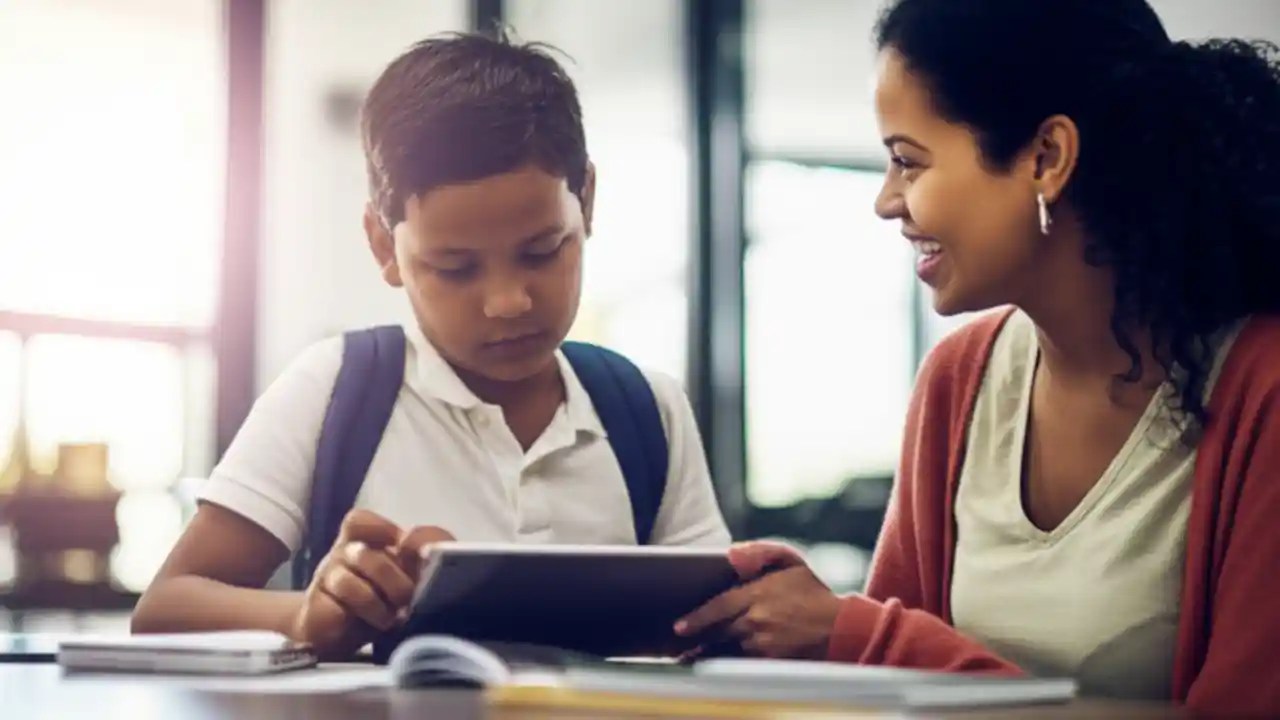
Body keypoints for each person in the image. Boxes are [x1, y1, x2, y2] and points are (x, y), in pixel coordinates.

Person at [675, 0, 1280, 712]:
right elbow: (890, 694)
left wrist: (861, 636)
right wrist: (792, 623)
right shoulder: (960, 380)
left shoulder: (1260, 391)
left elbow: (887, 650)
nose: (886, 201)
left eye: (907, 160)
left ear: (1047, 158)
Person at [132, 33, 729, 659]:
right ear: (384, 246)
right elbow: (165, 609)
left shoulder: (647, 410)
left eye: (542, 251)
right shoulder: (335, 388)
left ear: (587, 204)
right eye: (454, 267)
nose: (508, 300)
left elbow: (718, 622)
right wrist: (305, 614)